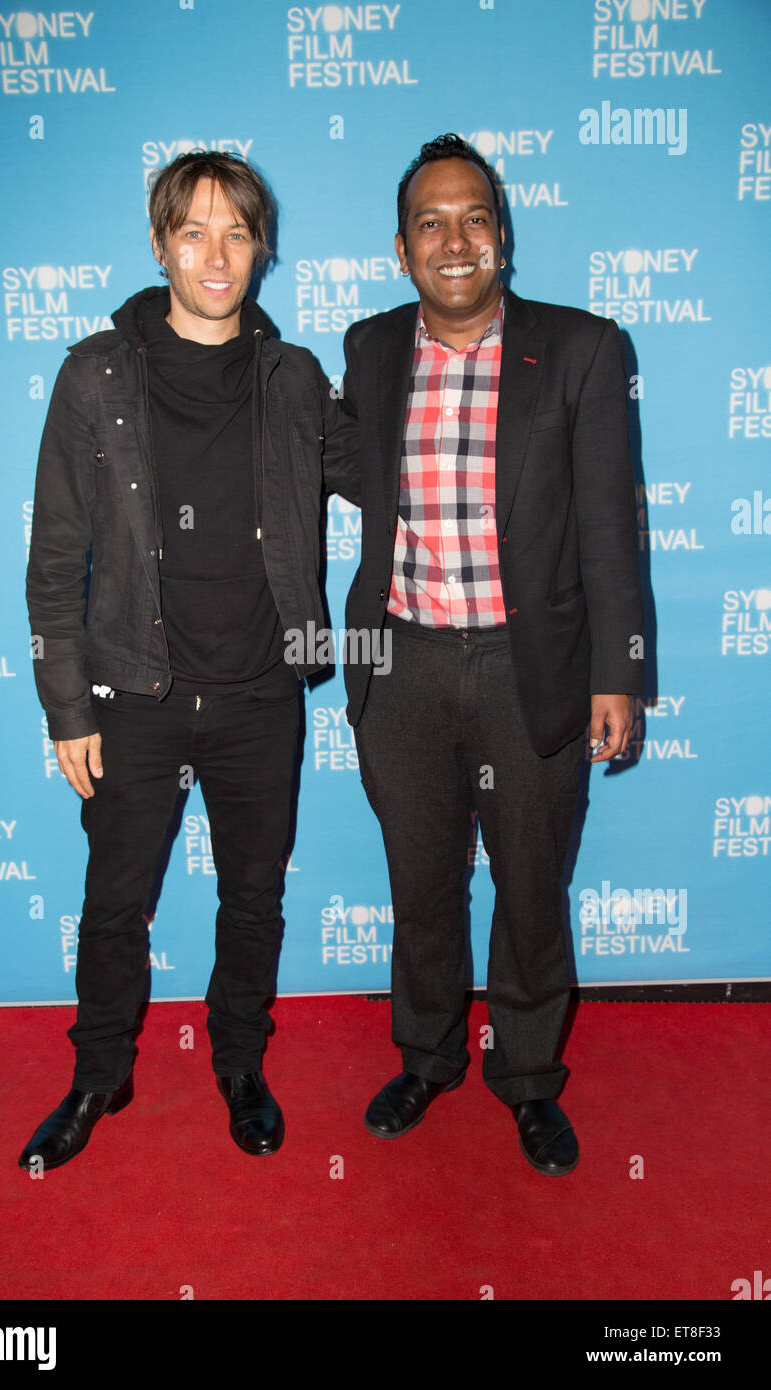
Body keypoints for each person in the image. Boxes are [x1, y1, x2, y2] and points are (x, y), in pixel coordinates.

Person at [21, 151, 358, 1170]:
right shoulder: (94, 374)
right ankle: (96, 1075)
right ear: (161, 242)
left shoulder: (293, 376)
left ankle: (241, 1066)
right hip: (135, 690)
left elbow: (378, 471)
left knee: (252, 895)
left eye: (237, 232)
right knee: (114, 898)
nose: (216, 255)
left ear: (261, 247)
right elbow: (54, 560)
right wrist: (66, 706)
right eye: (193, 231)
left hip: (262, 691)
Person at [340, 133, 644, 1175]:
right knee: (419, 883)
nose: (453, 238)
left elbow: (609, 524)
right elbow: (325, 465)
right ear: (400, 246)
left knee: (527, 887)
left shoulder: (580, 348)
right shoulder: (369, 348)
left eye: (473, 217)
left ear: (502, 236)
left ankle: (525, 1077)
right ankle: (425, 1057)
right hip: (405, 668)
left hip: (532, 669)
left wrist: (617, 672)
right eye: (430, 221)